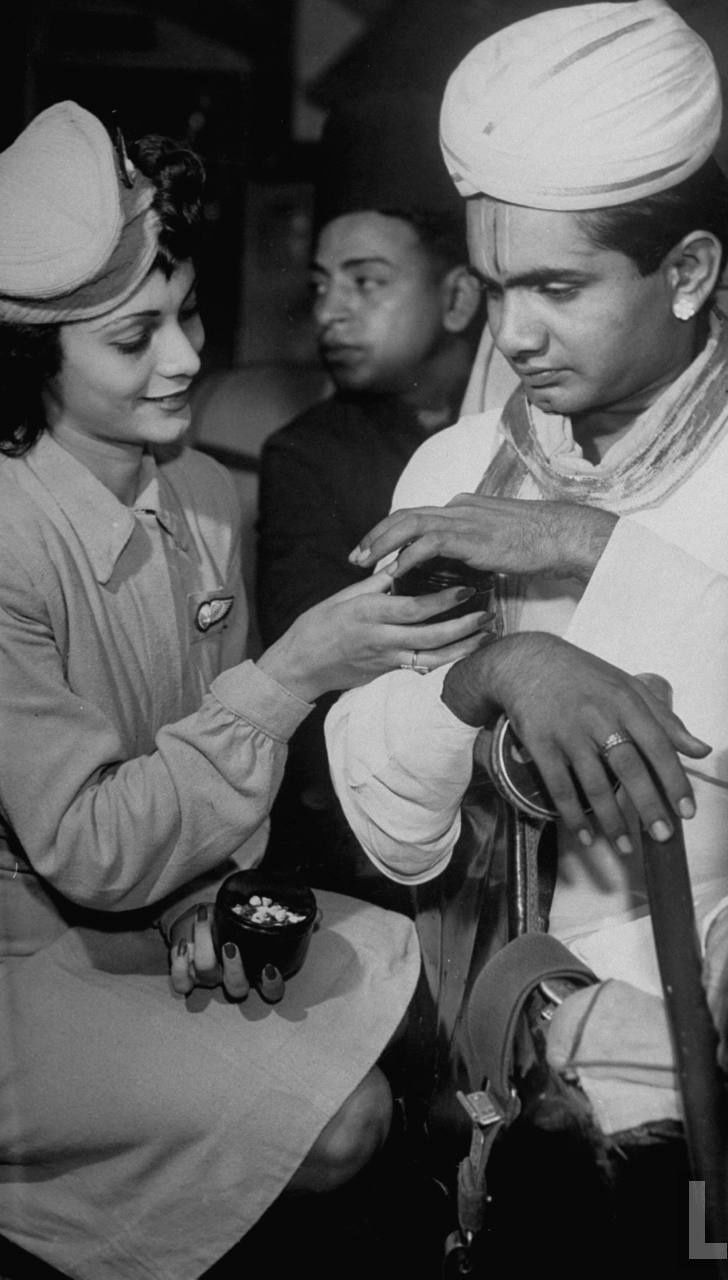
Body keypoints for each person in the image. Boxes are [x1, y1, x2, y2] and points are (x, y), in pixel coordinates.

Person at [0, 101, 494, 1280]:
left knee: (427, 993)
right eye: (134, 337)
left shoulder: (201, 487)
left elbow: (209, 779)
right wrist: (296, 666)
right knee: (346, 1123)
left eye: (186, 313)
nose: (188, 356)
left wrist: (209, 896)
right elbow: (90, 842)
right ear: (32, 358)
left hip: (149, 917)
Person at [325, 1, 728, 1156]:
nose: (516, 334)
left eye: (556, 287)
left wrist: (589, 548)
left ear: (685, 269)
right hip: (511, 1003)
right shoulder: (453, 467)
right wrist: (493, 667)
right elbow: (381, 819)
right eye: (495, 290)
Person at [255, 91, 483, 899]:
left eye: (366, 282)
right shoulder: (306, 454)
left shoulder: (512, 427)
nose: (331, 312)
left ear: (458, 297)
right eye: (322, 286)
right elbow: (320, 648)